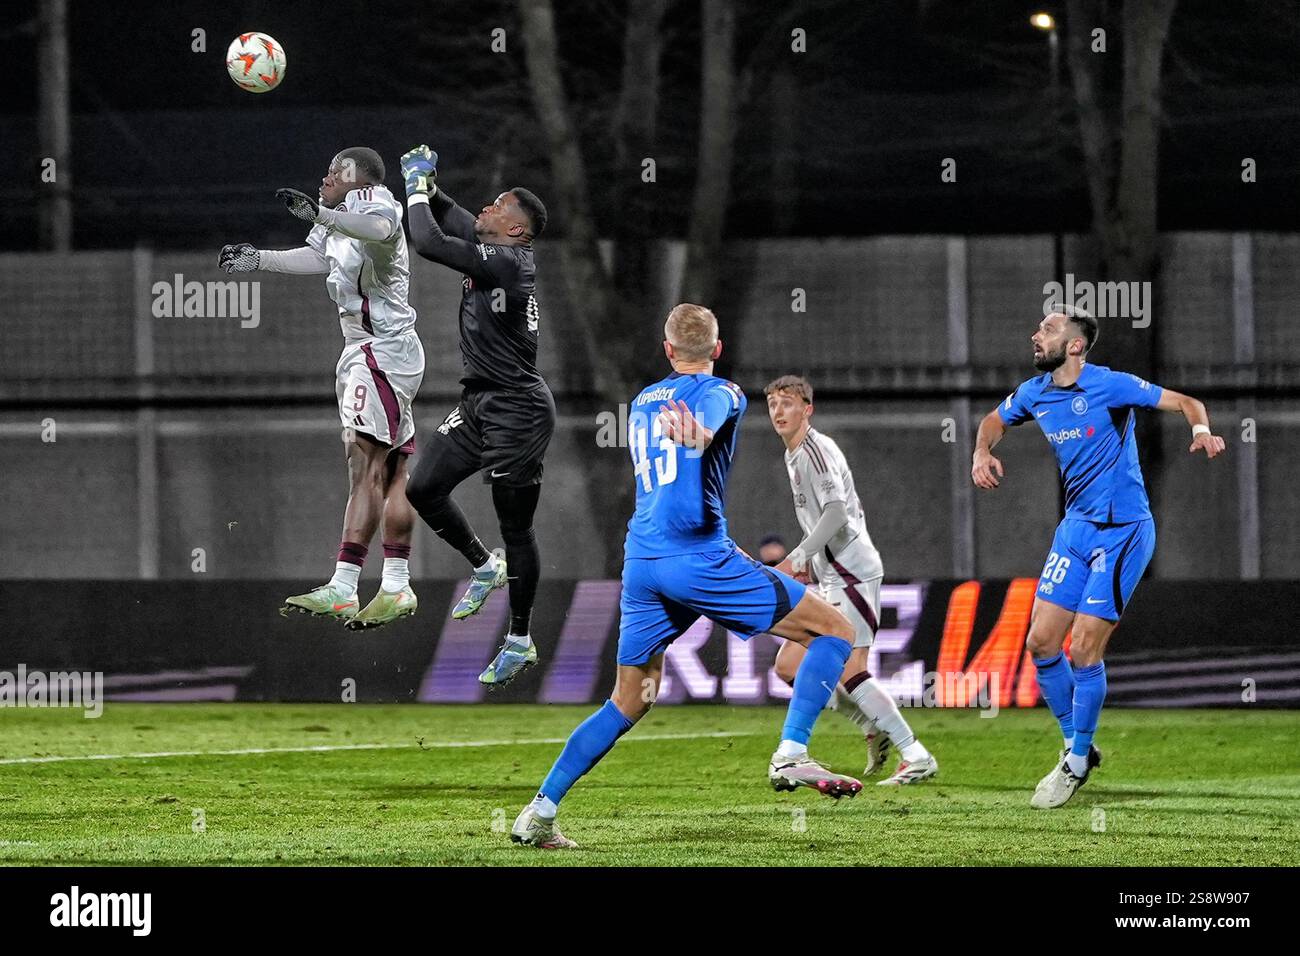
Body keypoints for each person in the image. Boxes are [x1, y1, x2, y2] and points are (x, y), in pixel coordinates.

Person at [511, 304, 861, 849]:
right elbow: (711, 417)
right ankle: (792, 753)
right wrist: (699, 436)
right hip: (697, 560)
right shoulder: (726, 393)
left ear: (667, 349)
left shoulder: (646, 400)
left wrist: (697, 444)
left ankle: (541, 810)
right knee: (835, 631)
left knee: (629, 699)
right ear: (717, 350)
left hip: (644, 562)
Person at [972, 306, 1226, 808]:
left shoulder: (1110, 386)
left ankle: (1075, 762)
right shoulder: (1034, 392)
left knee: (1084, 649)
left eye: (1047, 328)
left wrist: (1201, 431)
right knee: (1042, 643)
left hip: (1123, 532)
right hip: (1075, 532)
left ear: (1074, 345)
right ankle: (1076, 745)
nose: (1035, 333)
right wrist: (982, 452)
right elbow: (991, 421)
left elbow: (1186, 402)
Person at [219, 147, 423, 628]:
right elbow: (317, 255)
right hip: (379, 352)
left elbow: (380, 229)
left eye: (335, 172)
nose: (325, 177)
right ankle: (395, 584)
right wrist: (259, 259)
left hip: (379, 352)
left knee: (363, 459)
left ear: (358, 177)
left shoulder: (376, 201)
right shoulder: (339, 217)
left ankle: (344, 585)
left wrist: (325, 213)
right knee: (391, 469)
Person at [398, 145, 555, 686]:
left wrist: (416, 187)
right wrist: (433, 187)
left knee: (517, 527)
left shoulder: (508, 263)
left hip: (518, 411)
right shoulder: (495, 247)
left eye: (495, 206)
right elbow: (451, 217)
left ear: (515, 230)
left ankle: (520, 639)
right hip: (479, 402)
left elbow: (427, 240)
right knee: (423, 488)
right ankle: (483, 565)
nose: (483, 210)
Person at [765, 375, 938, 785]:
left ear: (808, 409)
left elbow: (837, 514)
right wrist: (812, 558)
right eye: (772, 404)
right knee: (788, 666)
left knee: (850, 669)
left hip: (852, 572)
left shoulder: (815, 450)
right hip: (830, 574)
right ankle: (871, 722)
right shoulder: (795, 454)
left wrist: (799, 556)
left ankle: (915, 755)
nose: (778, 411)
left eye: (787, 403)